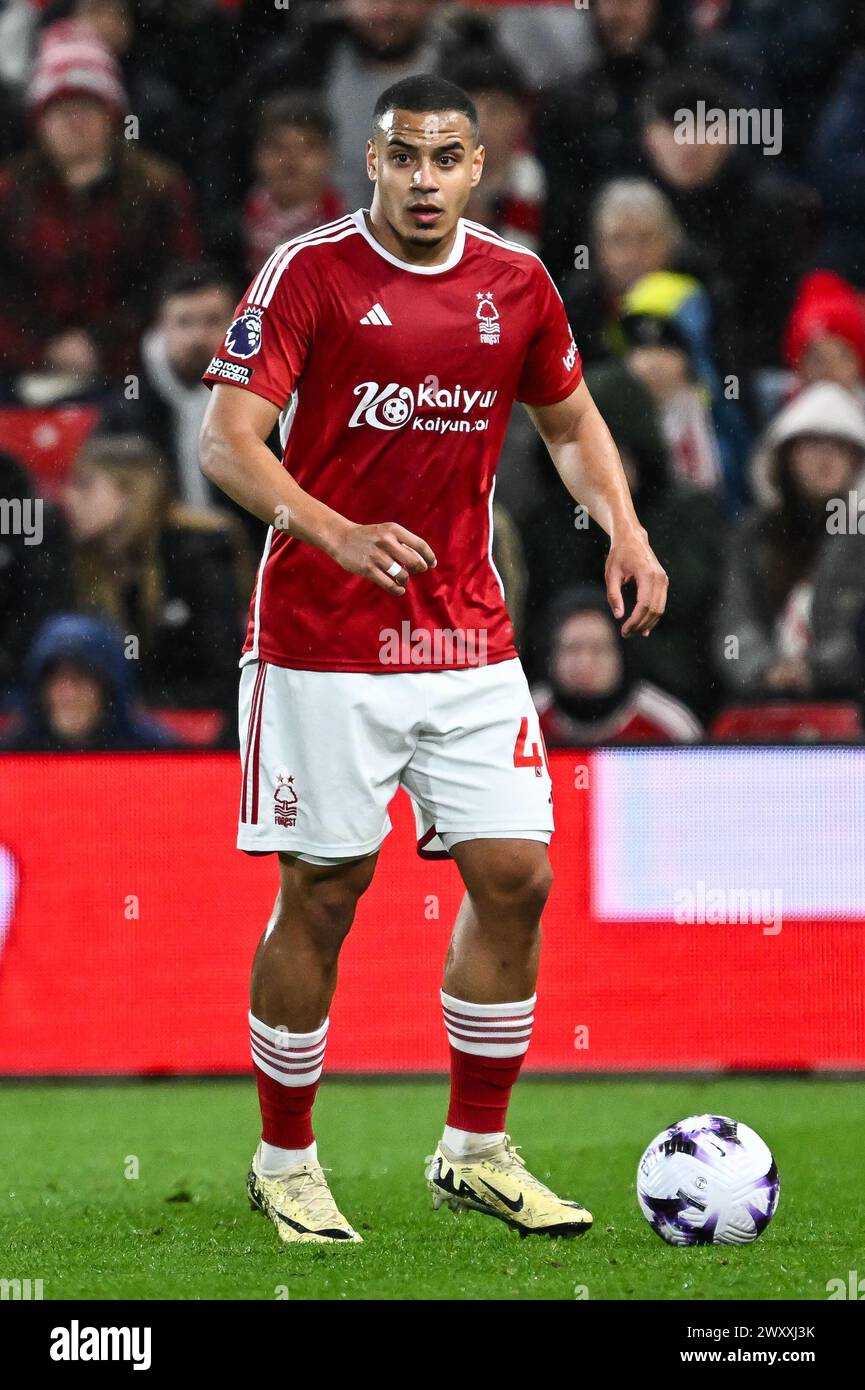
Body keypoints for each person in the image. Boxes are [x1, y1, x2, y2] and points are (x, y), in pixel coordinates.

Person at [199, 74, 668, 1246]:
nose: (422, 179)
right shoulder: (308, 272)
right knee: (325, 891)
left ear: (476, 169)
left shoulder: (516, 283)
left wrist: (623, 523)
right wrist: (332, 528)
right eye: (402, 157)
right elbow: (227, 442)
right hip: (320, 641)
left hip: (463, 635)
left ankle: (474, 1150)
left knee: (519, 876)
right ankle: (285, 1161)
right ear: (372, 161)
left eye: (445, 158)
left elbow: (566, 421)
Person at [0, 21, 200, 387]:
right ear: (39, 121)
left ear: (112, 115)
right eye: (59, 109)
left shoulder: (158, 189)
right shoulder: (10, 192)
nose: (73, 122)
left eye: (86, 107)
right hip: (17, 373)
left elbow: (172, 283)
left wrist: (101, 344)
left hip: (133, 373)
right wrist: (43, 347)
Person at [61, 433, 249, 718]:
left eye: (84, 486)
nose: (68, 498)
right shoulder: (81, 561)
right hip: (127, 730)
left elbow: (223, 670)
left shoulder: (198, 553)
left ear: (130, 493)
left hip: (203, 724)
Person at [714, 382, 865, 701]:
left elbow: (856, 636)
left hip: (851, 708)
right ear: (785, 455)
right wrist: (764, 669)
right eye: (812, 444)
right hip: (761, 704)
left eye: (839, 445)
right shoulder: (754, 533)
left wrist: (814, 670)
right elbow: (734, 619)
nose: (826, 456)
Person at [99, 261, 240, 512]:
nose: (198, 337)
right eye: (184, 323)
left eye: (212, 321)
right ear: (161, 328)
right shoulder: (128, 407)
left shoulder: (266, 402)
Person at [533, 588, 702, 746]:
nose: (584, 662)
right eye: (572, 649)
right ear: (551, 655)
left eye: (598, 649)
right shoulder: (523, 718)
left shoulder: (668, 727)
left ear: (621, 655)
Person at [0, 612, 178, 752]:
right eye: (56, 679)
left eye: (80, 678)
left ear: (108, 688)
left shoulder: (159, 758)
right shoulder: (11, 758)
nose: (67, 693)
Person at [243, 95, 345, 277]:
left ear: (329, 157)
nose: (291, 161)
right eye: (277, 147)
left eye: (308, 147)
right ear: (257, 155)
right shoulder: (232, 231)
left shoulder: (353, 233)